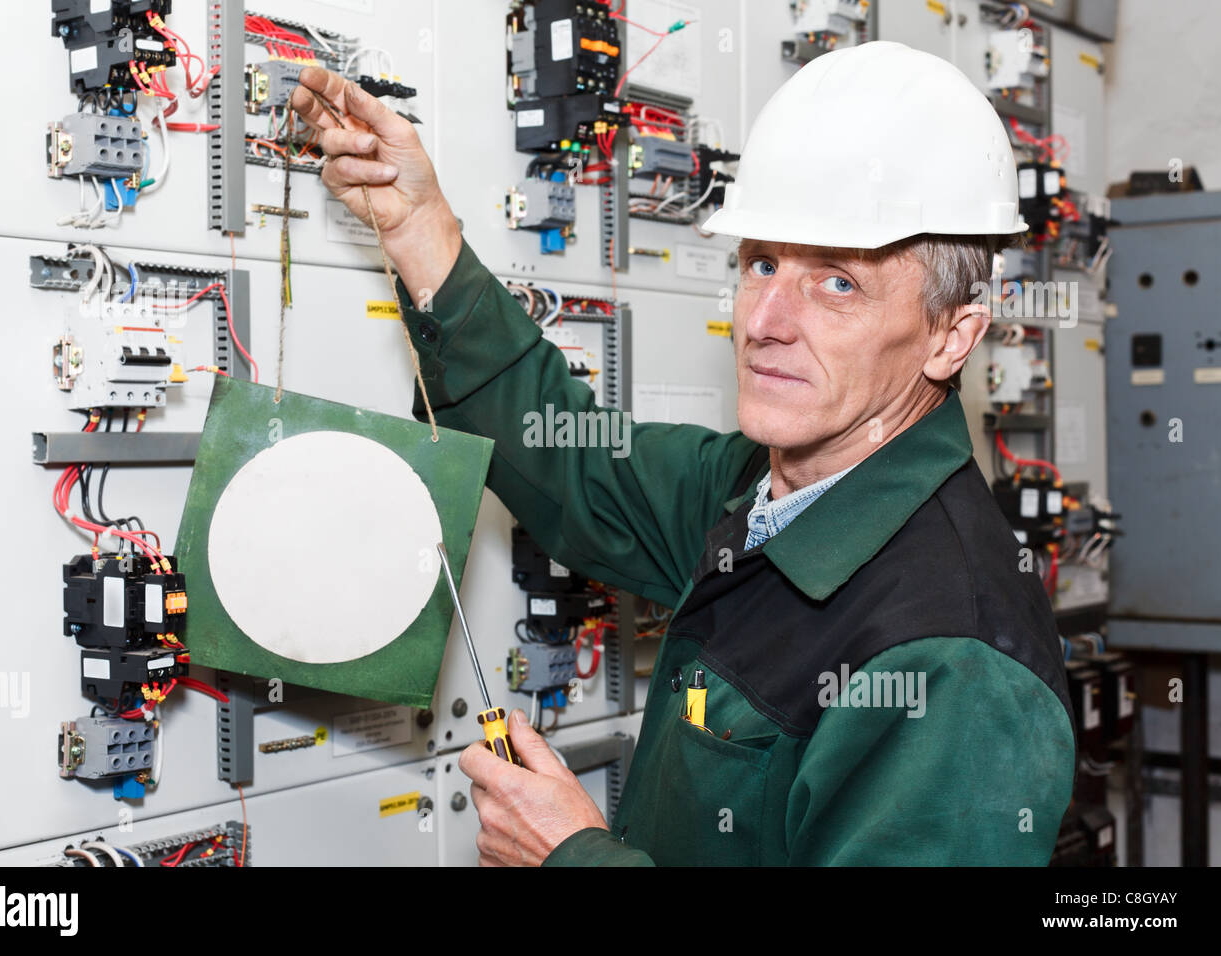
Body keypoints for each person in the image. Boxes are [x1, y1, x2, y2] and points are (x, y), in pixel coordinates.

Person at [292, 40, 1077, 867]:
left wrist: (572, 855)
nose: (765, 321)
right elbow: (570, 459)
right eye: (761, 263)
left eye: (837, 283)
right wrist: (419, 225)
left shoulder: (954, 663)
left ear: (952, 336)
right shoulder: (761, 490)